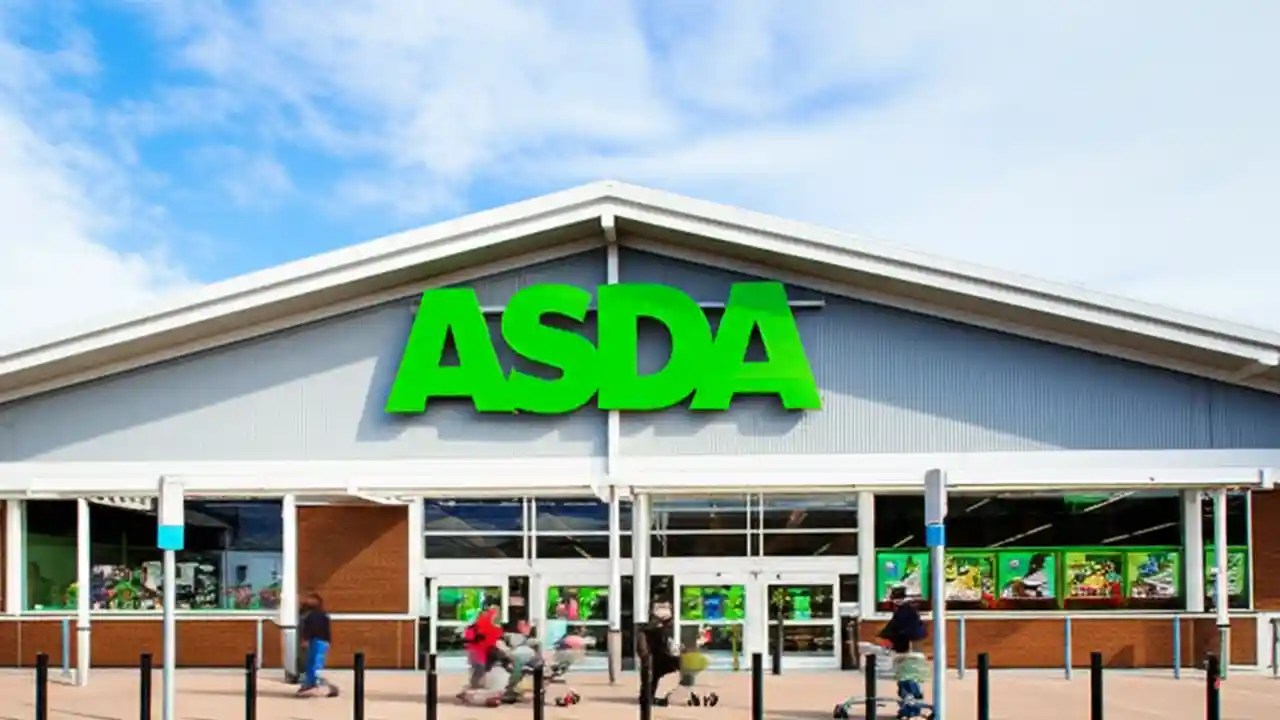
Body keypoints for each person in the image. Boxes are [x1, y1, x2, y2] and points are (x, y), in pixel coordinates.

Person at [877, 585, 927, 717]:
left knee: (906, 679)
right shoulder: (907, 611)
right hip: (908, 649)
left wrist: (887, 637)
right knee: (906, 678)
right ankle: (911, 704)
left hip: (907, 650)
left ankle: (911, 707)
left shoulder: (905, 612)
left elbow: (897, 628)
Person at [636, 603, 681, 705]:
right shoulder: (648, 630)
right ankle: (650, 698)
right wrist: (645, 657)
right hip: (654, 659)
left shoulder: (664, 629)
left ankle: (654, 697)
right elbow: (644, 647)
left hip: (660, 658)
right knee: (650, 679)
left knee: (653, 679)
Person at [297, 592, 339, 697]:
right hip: (317, 641)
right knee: (311, 664)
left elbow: (312, 628)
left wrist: (305, 639)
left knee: (315, 665)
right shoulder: (312, 614)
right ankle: (310, 684)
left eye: (310, 599)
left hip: (318, 641)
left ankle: (325, 686)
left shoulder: (317, 615)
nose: (307, 600)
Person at [458, 601, 503, 699]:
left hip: (476, 651)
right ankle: (470, 692)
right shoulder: (490, 622)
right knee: (479, 672)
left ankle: (469, 691)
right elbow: (492, 636)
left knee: (477, 672)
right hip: (480, 652)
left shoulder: (480, 620)